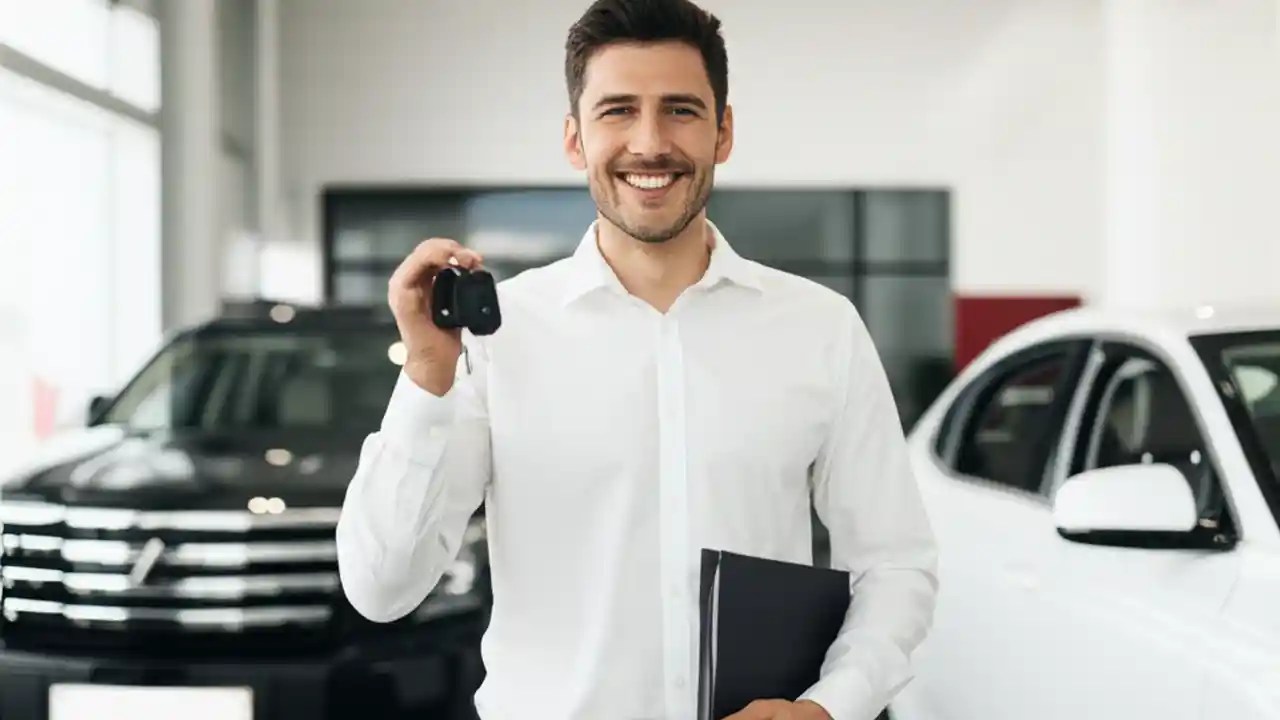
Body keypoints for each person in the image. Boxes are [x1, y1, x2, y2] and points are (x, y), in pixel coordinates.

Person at [335, 0, 939, 717]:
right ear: (575, 139)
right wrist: (425, 375)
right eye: (618, 110)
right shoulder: (498, 338)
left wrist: (828, 706)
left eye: (680, 110)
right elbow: (381, 587)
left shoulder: (819, 329)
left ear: (723, 132)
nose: (650, 143)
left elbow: (895, 564)